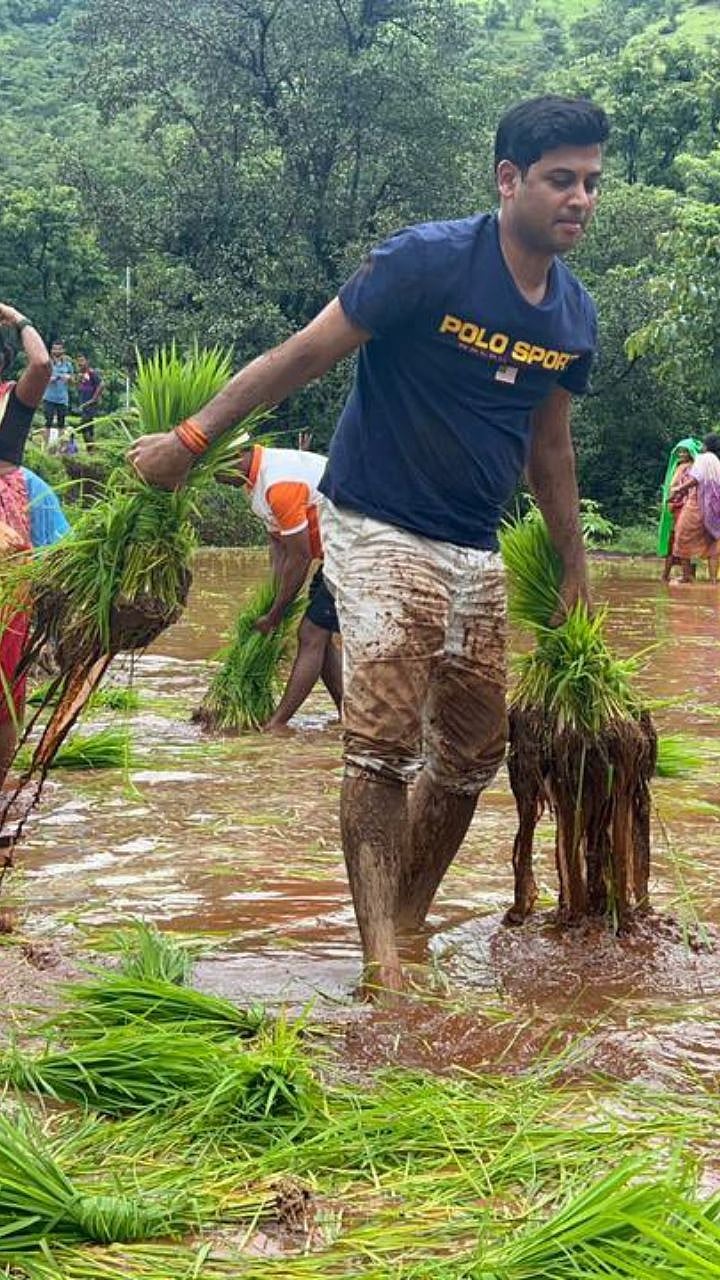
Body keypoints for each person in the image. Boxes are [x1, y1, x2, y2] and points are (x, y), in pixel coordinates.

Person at [129, 95, 608, 994]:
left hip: (476, 545)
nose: (579, 198)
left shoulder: (570, 317)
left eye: (590, 182)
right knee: (383, 744)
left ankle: (407, 924)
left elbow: (552, 451)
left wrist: (577, 575)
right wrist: (190, 441)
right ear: (508, 180)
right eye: (559, 180)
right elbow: (306, 353)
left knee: (472, 756)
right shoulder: (427, 263)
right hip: (377, 520)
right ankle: (381, 964)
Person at [220, 443, 342, 728]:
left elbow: (299, 557)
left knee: (310, 633)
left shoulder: (279, 482)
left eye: (217, 469)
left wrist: (275, 614)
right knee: (319, 637)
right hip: (335, 552)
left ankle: (277, 723)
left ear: (238, 455)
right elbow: (279, 548)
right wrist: (271, 598)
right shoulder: (255, 485)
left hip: (356, 546)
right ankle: (348, 712)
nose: (215, 478)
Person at [0, 304, 69, 789]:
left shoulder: (10, 404)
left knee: (6, 678)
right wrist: (16, 316)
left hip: (6, 549)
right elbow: (42, 366)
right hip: (10, 546)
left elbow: (44, 366)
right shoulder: (10, 407)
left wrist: (14, 314)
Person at [671, 434, 720, 583]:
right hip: (715, 508)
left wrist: (679, 489)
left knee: (681, 536)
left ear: (706, 446)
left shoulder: (703, 458)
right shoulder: (717, 461)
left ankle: (687, 576)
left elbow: (695, 479)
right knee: (713, 542)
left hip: (697, 505)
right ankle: (713, 580)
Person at [657, 438, 702, 582]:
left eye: (685, 451)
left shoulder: (688, 468)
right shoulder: (681, 467)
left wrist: (671, 499)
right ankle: (672, 575)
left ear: (691, 453)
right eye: (680, 451)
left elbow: (679, 488)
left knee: (679, 542)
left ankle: (685, 576)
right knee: (676, 542)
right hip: (679, 510)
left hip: (683, 509)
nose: (681, 454)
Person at [42, 340, 73, 451]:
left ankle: (61, 448)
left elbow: (73, 381)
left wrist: (68, 378)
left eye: (59, 349)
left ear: (63, 350)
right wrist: (51, 379)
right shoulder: (47, 363)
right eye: (55, 349)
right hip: (49, 397)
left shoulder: (68, 365)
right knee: (47, 423)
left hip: (62, 398)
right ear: (51, 350)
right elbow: (41, 378)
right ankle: (45, 448)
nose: (56, 351)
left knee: (61, 423)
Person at [75, 354, 104, 450]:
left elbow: (102, 384)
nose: (80, 363)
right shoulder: (80, 374)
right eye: (78, 361)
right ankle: (91, 449)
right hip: (83, 403)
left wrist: (94, 398)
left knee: (84, 425)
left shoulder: (91, 373)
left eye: (82, 361)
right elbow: (78, 387)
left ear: (87, 361)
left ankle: (91, 447)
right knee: (89, 426)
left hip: (90, 404)